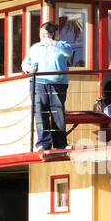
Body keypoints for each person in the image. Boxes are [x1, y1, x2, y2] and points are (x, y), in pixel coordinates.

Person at [22, 20, 74, 150]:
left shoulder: (61, 45)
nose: (42, 36)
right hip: (38, 83)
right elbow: (24, 64)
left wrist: (53, 43)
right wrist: (29, 69)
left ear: (52, 34)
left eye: (45, 34)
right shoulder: (35, 47)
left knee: (58, 113)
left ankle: (61, 143)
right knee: (40, 113)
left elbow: (69, 52)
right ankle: (43, 143)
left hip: (57, 84)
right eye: (41, 33)